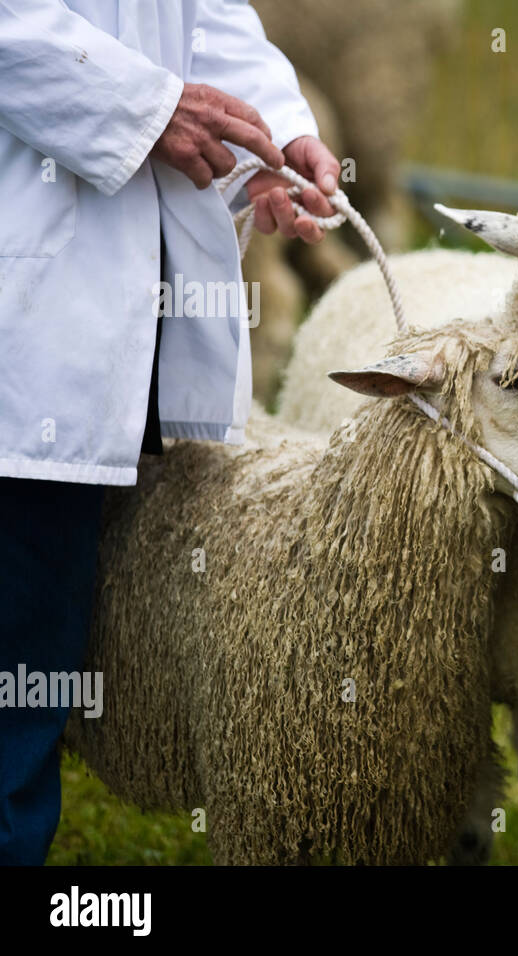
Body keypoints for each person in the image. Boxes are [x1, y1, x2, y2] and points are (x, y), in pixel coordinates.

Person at [0, 0, 340, 865]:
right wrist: (146, 107)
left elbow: (202, 13)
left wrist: (271, 137)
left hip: (82, 307)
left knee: (31, 636)